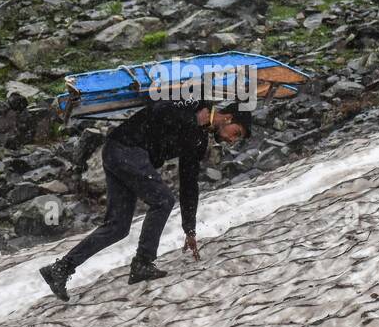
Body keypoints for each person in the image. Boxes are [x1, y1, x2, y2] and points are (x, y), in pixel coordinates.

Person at [39, 100, 252, 301]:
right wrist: (193, 120)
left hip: (122, 154)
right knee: (162, 200)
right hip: (125, 148)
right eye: (237, 133)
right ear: (228, 118)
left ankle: (60, 269)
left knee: (118, 226)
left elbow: (189, 183)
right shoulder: (194, 103)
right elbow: (158, 109)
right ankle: (142, 262)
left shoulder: (198, 140)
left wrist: (190, 228)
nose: (232, 140)